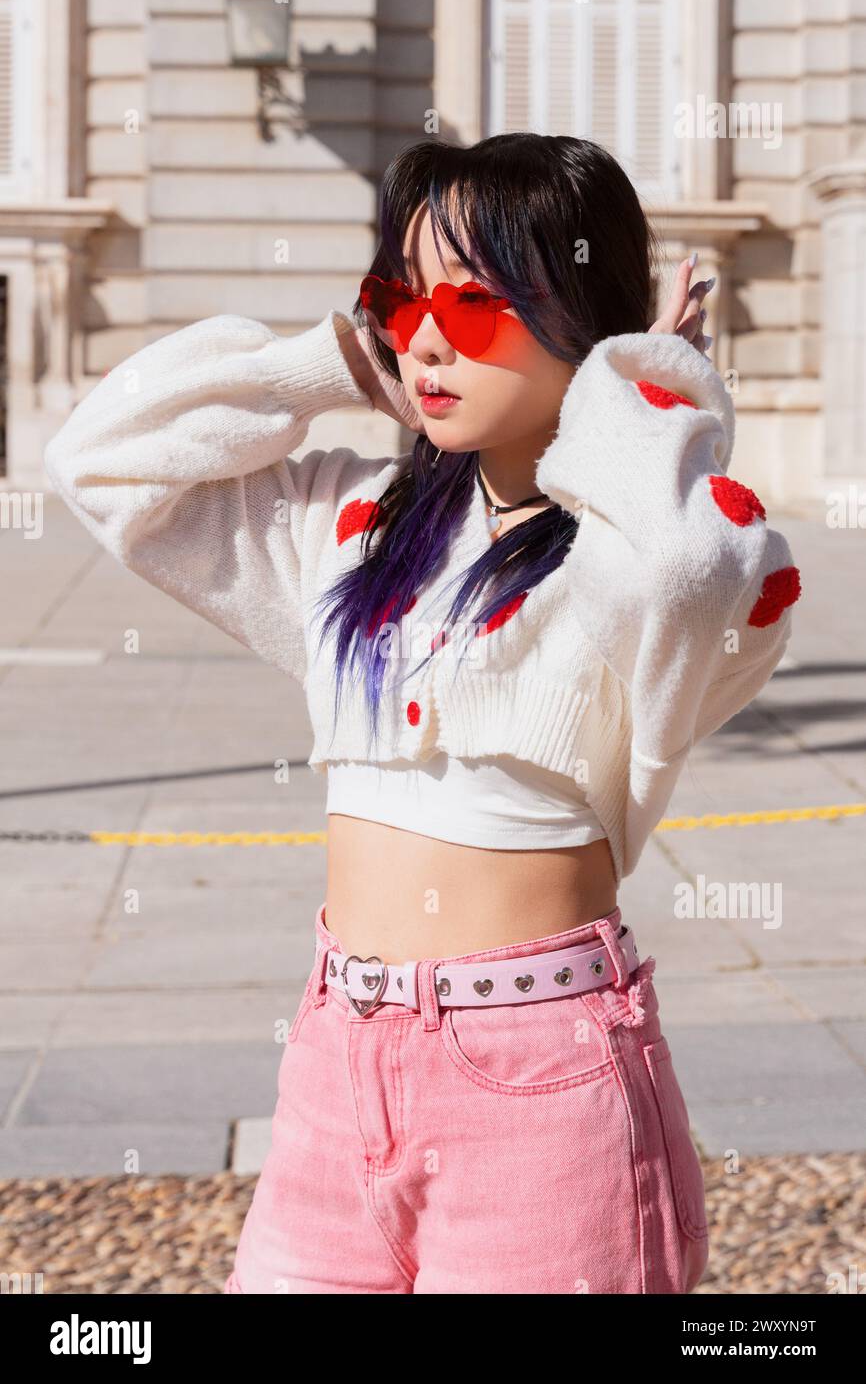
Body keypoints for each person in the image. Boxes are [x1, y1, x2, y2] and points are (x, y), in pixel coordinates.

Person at [44, 133, 801, 1295]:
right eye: (403, 297)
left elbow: (697, 565)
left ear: (588, 324)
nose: (430, 336)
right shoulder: (351, 523)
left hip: (542, 1080)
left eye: (478, 304)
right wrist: (335, 359)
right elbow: (98, 457)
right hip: (335, 1061)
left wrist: (629, 384)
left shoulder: (627, 549)